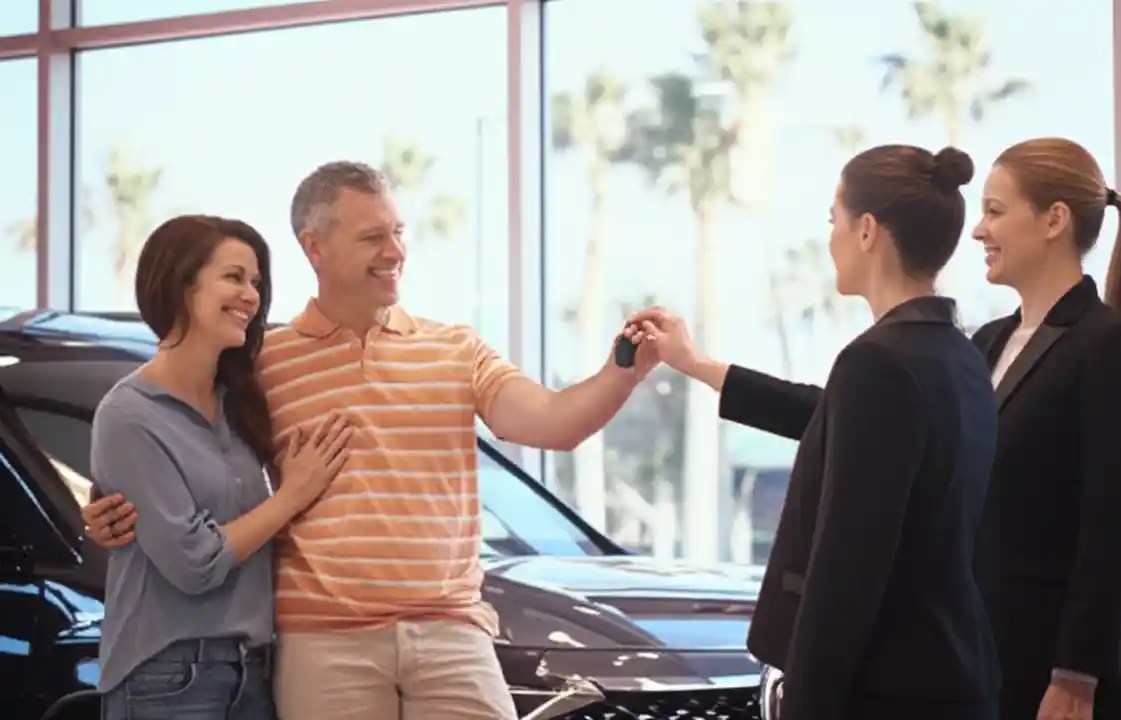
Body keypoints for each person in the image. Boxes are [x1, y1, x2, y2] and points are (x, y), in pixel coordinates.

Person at [83, 160, 659, 720]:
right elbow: (182, 454)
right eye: (372, 236)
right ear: (315, 248)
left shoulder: (455, 350)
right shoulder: (258, 365)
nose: (395, 251)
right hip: (321, 644)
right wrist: (111, 512)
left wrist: (621, 371)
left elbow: (553, 423)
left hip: (451, 632)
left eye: (398, 232)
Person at [631, 144, 1002, 719]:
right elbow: (826, 415)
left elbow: (847, 565)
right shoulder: (957, 354)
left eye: (835, 219)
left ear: (867, 231)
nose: (829, 236)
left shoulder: (877, 363)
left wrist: (806, 702)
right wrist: (695, 362)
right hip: (952, 672)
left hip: (888, 689)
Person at [90, 214, 352, 720]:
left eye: (256, 282)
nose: (251, 295)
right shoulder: (129, 415)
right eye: (234, 277)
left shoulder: (243, 403)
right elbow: (196, 563)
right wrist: (292, 496)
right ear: (182, 284)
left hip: (254, 672)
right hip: (167, 677)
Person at [970, 137, 1121, 720]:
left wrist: (1076, 675)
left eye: (995, 211)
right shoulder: (986, 344)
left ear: (1054, 220)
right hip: (988, 664)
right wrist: (707, 369)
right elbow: (879, 422)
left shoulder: (1111, 345)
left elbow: (1116, 522)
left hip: (1063, 684)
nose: (978, 230)